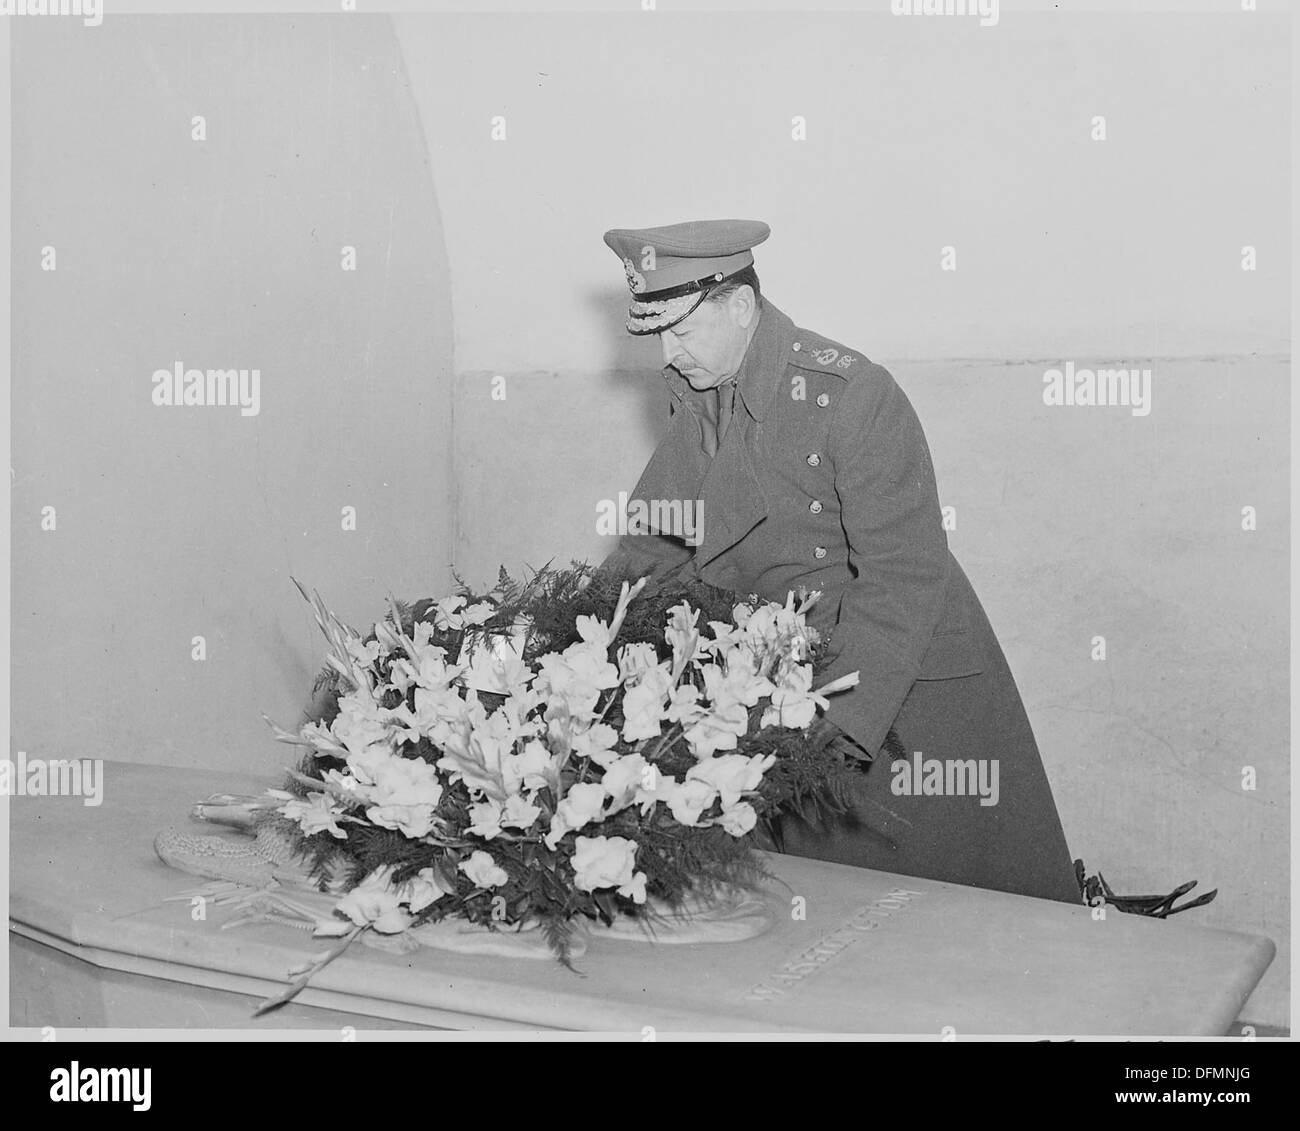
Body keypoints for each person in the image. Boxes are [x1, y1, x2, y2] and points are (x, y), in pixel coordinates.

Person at [600, 218, 1081, 905]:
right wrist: (580, 642)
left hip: (894, 696)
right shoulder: (704, 398)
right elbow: (655, 539)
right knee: (817, 923)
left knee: (946, 917)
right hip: (789, 686)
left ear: (739, 306)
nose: (668, 356)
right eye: (658, 337)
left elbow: (903, 577)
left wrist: (830, 733)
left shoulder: (850, 395)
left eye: (680, 331)